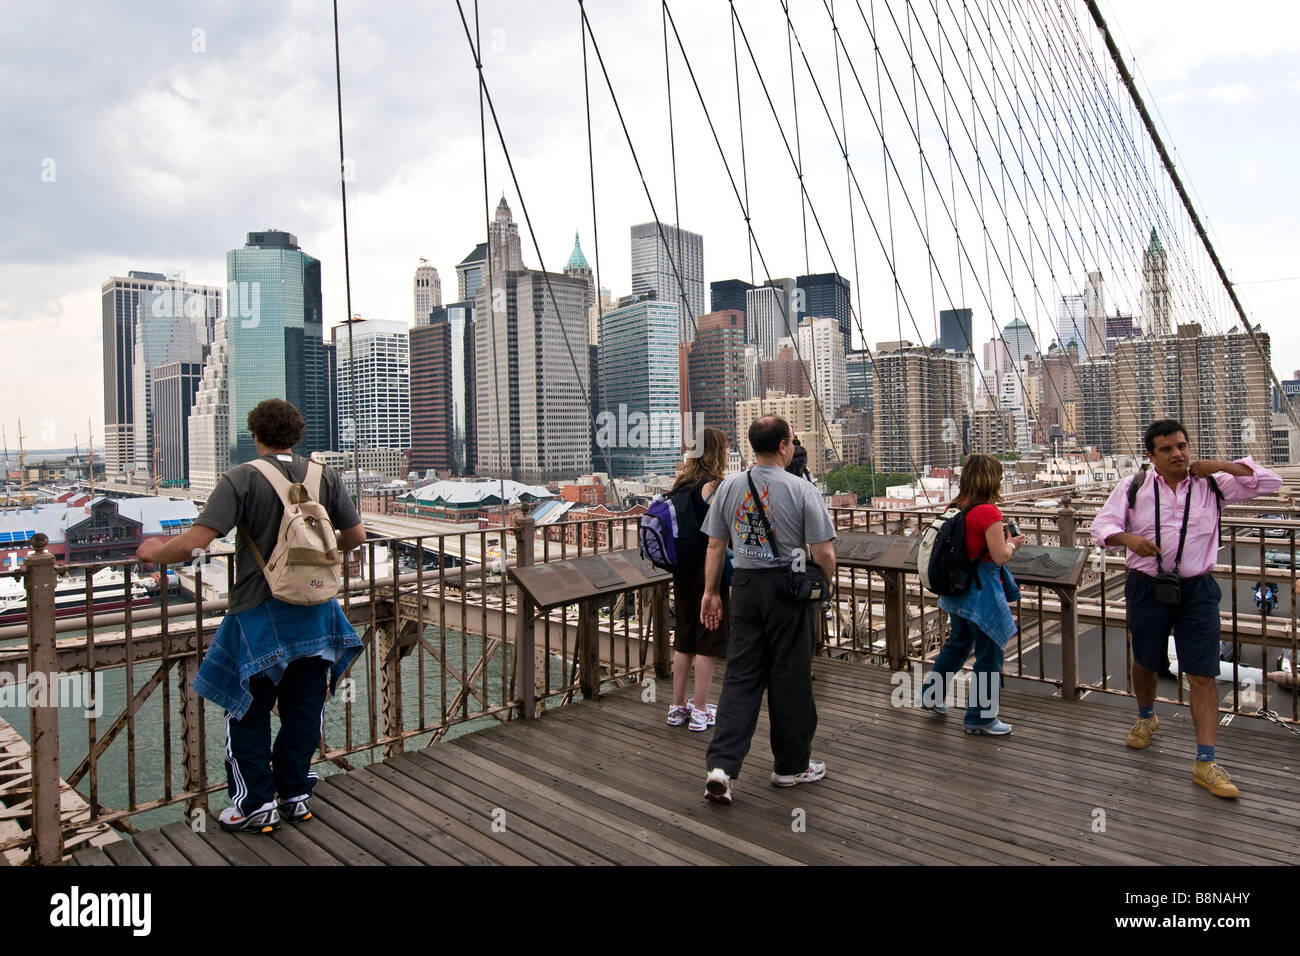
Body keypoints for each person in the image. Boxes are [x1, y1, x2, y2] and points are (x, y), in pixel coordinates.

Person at [135, 398, 368, 832]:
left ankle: (254, 804)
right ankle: (295, 795)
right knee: (304, 710)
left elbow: (195, 542)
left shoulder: (241, 478)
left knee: (248, 710)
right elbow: (355, 536)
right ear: (297, 435)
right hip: (319, 614)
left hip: (261, 615)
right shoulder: (326, 475)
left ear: (254, 434)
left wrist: (155, 554)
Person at [1090, 418, 1282, 799]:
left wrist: (1223, 465)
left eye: (1182, 445)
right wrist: (1129, 539)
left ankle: (1205, 762)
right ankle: (1146, 718)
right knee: (1145, 661)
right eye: (1167, 449)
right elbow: (1102, 526)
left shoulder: (1212, 484)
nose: (1178, 453)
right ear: (1151, 455)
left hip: (1197, 591)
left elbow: (1270, 481)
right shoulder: (1134, 487)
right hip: (1146, 588)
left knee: (1203, 673)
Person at [697, 416, 837, 805]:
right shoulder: (802, 489)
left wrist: (711, 593)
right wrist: (825, 584)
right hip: (788, 589)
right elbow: (824, 552)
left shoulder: (729, 487)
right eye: (791, 441)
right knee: (789, 679)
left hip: (743, 586)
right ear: (783, 446)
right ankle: (790, 768)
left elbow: (714, 546)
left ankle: (721, 768)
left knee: (741, 678)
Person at [919, 454, 1025, 734]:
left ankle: (930, 696)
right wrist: (1013, 543)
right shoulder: (989, 512)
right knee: (989, 655)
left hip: (958, 590)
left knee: (958, 645)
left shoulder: (956, 506)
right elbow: (1000, 556)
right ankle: (980, 717)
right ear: (992, 480)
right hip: (982, 592)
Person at [665, 428, 731, 733]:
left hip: (681, 571)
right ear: (716, 452)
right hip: (708, 572)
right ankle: (702, 710)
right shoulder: (713, 486)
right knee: (708, 639)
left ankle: (677, 707)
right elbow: (724, 532)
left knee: (685, 636)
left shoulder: (680, 484)